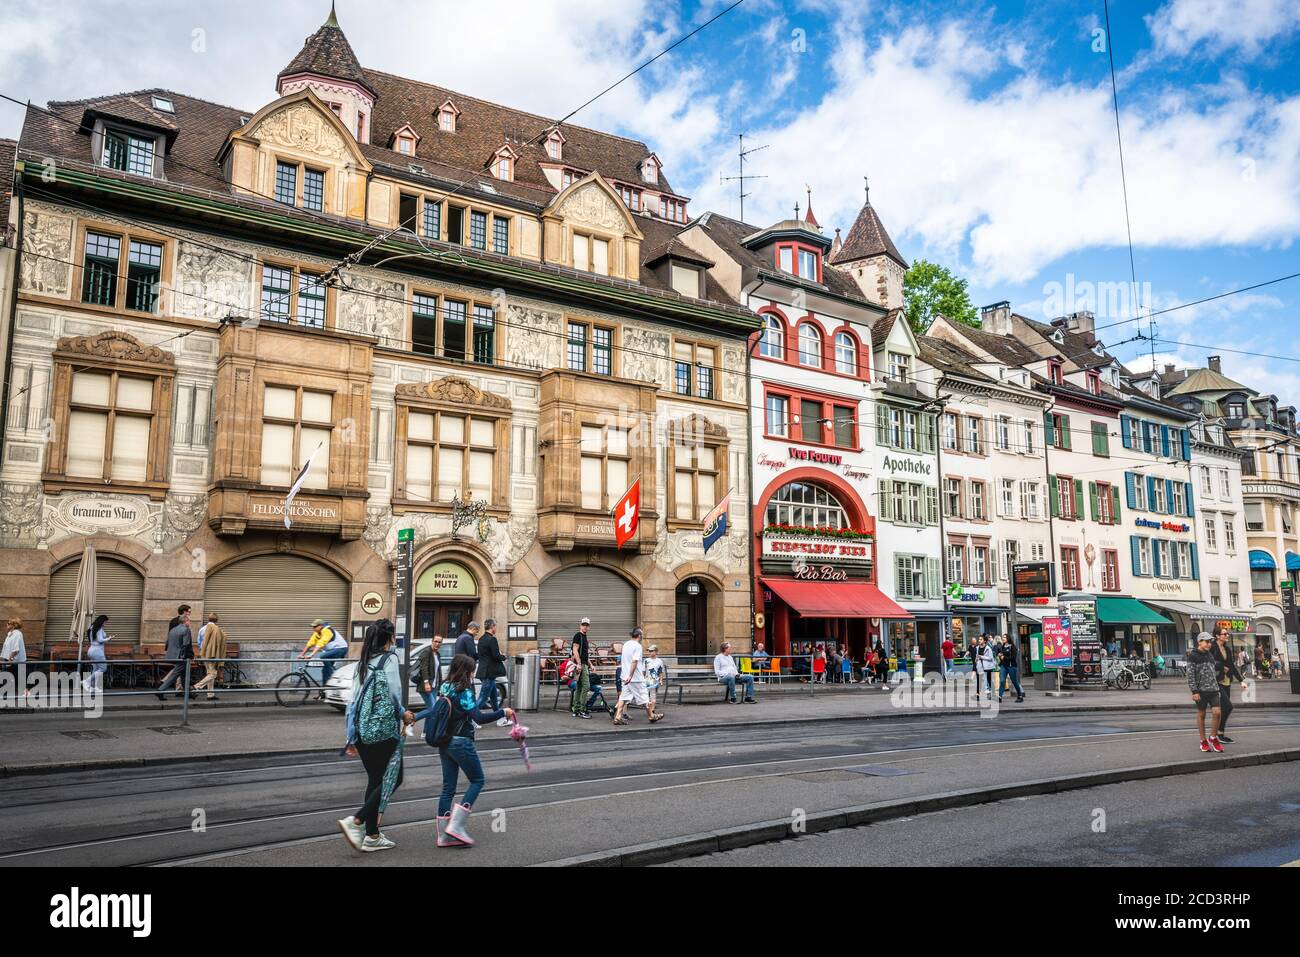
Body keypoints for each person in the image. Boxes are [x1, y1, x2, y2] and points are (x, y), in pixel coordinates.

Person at [423, 652, 514, 847]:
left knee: (448, 788)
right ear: (467, 671)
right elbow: (478, 717)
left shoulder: (445, 687)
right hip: (461, 742)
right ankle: (456, 825)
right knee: (477, 780)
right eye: (472, 670)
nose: (473, 674)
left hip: (444, 742)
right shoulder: (465, 691)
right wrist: (502, 712)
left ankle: (443, 836)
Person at [339, 620, 414, 852]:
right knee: (394, 777)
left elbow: (353, 701)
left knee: (375, 779)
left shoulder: (362, 661)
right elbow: (393, 695)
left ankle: (372, 836)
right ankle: (357, 821)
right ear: (390, 637)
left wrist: (351, 736)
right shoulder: (389, 659)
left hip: (362, 731)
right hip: (382, 730)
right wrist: (404, 713)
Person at [1187, 634, 1224, 753]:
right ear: (1199, 642)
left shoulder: (1209, 654)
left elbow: (1212, 670)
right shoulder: (1193, 655)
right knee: (1202, 714)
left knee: (1217, 713)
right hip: (1201, 691)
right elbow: (1190, 675)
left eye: (1210, 642)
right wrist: (1194, 691)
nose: (1209, 644)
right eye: (1207, 642)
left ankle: (1213, 738)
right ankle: (1203, 741)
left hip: (1213, 689)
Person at [1209, 627, 1246, 744]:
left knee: (1224, 708)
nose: (1227, 636)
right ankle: (1217, 734)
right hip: (1216, 682)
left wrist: (1241, 680)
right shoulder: (1212, 648)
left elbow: (1232, 666)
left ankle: (1219, 734)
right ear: (1217, 636)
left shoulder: (1227, 649)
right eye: (1224, 634)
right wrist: (1220, 666)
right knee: (1228, 707)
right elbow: (1209, 662)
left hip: (1227, 681)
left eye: (1227, 634)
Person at [613, 627, 657, 725]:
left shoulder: (626, 645)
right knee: (645, 697)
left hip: (625, 677)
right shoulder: (637, 646)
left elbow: (625, 660)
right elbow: (634, 661)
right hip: (635, 677)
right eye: (642, 635)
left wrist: (627, 676)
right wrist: (630, 675)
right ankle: (651, 716)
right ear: (639, 636)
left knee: (623, 697)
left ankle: (618, 717)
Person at [475, 618, 509, 725]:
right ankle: (470, 717)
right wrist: (503, 657)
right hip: (489, 673)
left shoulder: (481, 639)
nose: (496, 629)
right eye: (495, 626)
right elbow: (496, 656)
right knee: (483, 698)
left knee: (494, 697)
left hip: (483, 671)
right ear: (492, 627)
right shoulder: (492, 639)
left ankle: (500, 719)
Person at [157, 606, 193, 699]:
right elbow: (186, 645)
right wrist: (189, 656)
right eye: (189, 621)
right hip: (181, 656)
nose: (190, 622)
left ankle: (188, 692)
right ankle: (161, 690)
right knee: (175, 674)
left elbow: (168, 642)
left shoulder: (173, 630)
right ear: (185, 621)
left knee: (184, 675)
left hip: (172, 654)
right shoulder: (186, 630)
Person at [193, 612, 227, 701]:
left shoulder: (202, 629)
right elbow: (217, 644)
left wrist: (203, 651)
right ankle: (197, 686)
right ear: (216, 620)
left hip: (204, 654)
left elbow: (199, 642)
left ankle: (210, 694)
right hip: (212, 655)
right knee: (213, 674)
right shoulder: (216, 629)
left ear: (208, 619)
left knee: (209, 673)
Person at [570, 617, 593, 719]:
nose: (585, 627)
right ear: (580, 625)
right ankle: (582, 710)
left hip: (583, 664)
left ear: (589, 627)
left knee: (579, 687)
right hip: (580, 665)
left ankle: (576, 709)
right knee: (586, 686)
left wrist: (590, 664)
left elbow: (584, 654)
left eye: (587, 625)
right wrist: (579, 664)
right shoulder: (578, 636)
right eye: (583, 625)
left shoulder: (584, 637)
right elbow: (575, 650)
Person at [415, 634, 445, 712]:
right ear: (432, 641)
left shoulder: (437, 654)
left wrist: (440, 685)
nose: (437, 644)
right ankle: (412, 719)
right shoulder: (427, 652)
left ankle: (429, 724)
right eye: (435, 641)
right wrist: (426, 683)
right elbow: (424, 668)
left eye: (439, 642)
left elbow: (438, 671)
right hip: (426, 685)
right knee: (433, 709)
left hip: (434, 686)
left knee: (432, 710)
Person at [83, 614, 110, 694]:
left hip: (91, 650)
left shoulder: (92, 628)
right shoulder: (99, 628)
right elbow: (100, 640)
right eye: (105, 622)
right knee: (103, 668)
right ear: (102, 621)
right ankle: (86, 681)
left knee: (95, 669)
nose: (105, 624)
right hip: (97, 651)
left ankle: (93, 687)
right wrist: (109, 638)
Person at [997, 632, 1024, 703]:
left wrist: (1004, 657)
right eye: (1002, 637)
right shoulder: (1002, 646)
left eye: (1004, 637)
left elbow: (1013, 658)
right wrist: (1000, 656)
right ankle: (1000, 697)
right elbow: (1001, 657)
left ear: (1008, 638)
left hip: (1011, 666)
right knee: (1002, 681)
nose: (1003, 639)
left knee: (1014, 681)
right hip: (1003, 666)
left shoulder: (1012, 647)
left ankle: (1020, 695)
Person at [644, 644, 666, 717]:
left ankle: (652, 710)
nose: (649, 653)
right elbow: (643, 671)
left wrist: (661, 680)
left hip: (654, 681)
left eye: (651, 651)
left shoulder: (659, 661)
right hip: (646, 681)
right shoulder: (646, 660)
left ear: (656, 652)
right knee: (646, 696)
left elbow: (660, 671)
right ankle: (649, 710)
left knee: (653, 696)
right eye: (649, 651)